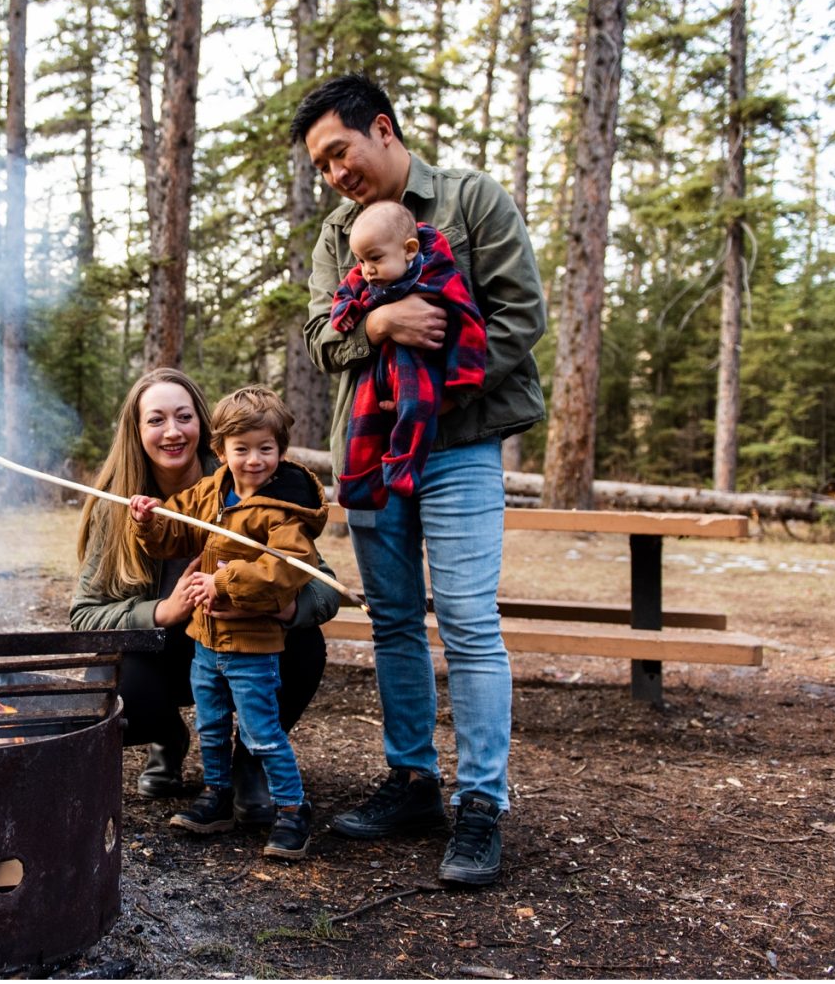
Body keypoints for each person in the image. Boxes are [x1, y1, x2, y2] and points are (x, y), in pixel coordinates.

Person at [293, 73, 548, 886]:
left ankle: (482, 804)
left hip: (460, 446)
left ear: (384, 130)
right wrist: (374, 322)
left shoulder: (471, 201)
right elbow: (318, 336)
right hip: (369, 452)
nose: (335, 174)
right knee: (395, 621)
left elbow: (520, 315)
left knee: (470, 622)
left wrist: (436, 386)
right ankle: (412, 781)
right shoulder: (337, 235)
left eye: (340, 152)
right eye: (322, 166)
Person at [69, 368, 339, 826]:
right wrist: (163, 610)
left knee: (305, 647)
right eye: (156, 420)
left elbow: (323, 586)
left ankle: (249, 762)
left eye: (183, 416)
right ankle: (167, 736)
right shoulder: (119, 508)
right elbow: (84, 616)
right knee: (117, 691)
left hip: (241, 640)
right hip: (165, 650)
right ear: (137, 432)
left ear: (204, 428)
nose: (172, 431)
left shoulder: (250, 480)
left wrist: (285, 605)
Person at [128, 385, 328, 860]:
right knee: (213, 724)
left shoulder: (285, 511)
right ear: (220, 451)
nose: (254, 460)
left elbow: (287, 569)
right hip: (205, 643)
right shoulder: (213, 490)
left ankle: (292, 809)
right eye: (241, 450)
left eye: (266, 449)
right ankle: (216, 795)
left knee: (261, 732)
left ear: (281, 450)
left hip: (253, 646)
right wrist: (150, 521)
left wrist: (224, 581)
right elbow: (177, 528)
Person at [330, 199, 487, 510]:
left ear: (410, 249)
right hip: (374, 373)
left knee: (415, 408)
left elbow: (469, 321)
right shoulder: (364, 274)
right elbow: (344, 293)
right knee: (363, 427)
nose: (367, 270)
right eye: (361, 260)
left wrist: (463, 379)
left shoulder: (437, 274)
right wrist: (346, 312)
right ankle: (360, 487)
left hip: (419, 366)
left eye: (374, 259)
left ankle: (403, 466)